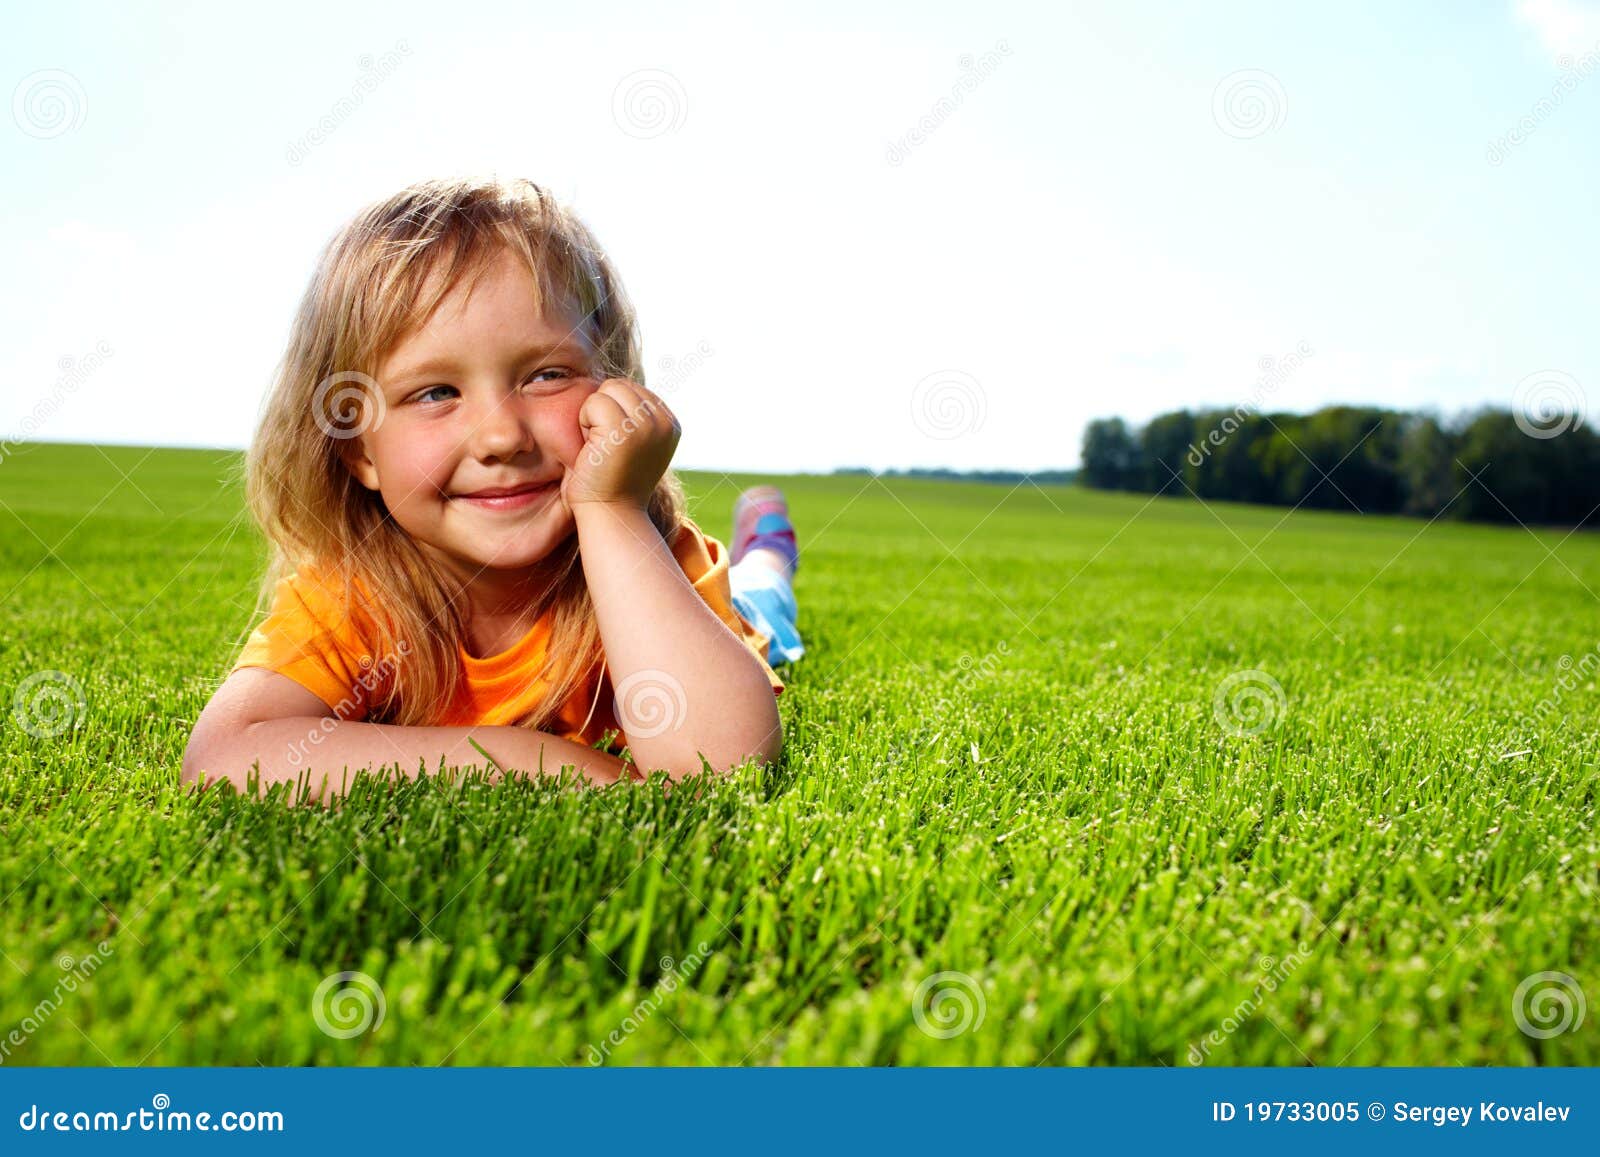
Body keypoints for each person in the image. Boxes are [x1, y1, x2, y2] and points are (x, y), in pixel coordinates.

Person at [181, 176, 802, 803]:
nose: (502, 436)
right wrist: (521, 757)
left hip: (721, 609)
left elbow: (722, 765)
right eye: (436, 393)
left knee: (761, 604)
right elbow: (225, 759)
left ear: (611, 387)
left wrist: (612, 510)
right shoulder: (352, 598)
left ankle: (768, 553)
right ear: (360, 451)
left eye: (546, 375)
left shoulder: (650, 551)